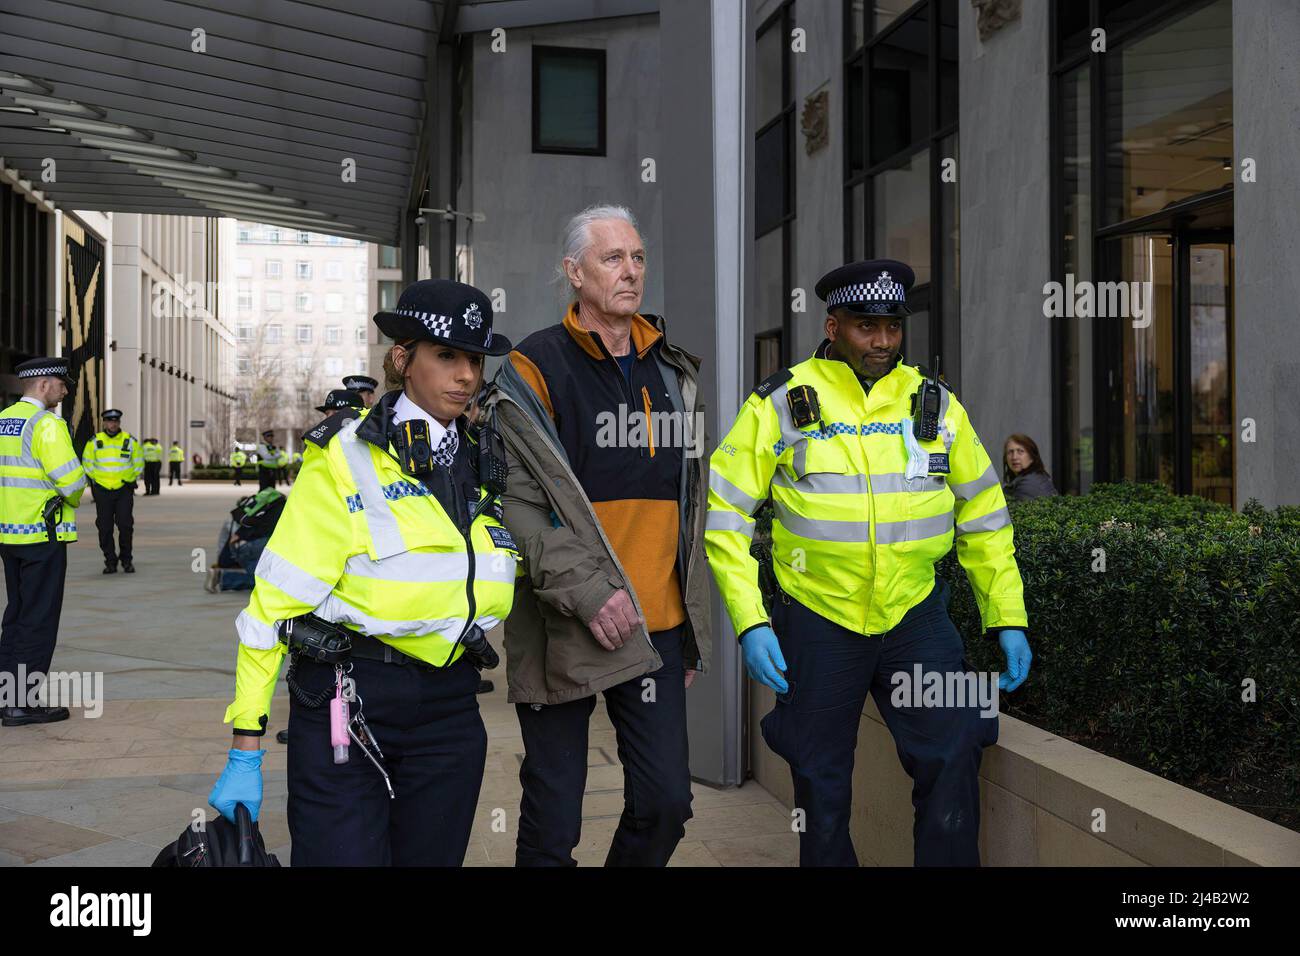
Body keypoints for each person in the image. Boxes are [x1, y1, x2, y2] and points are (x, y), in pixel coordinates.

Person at [705, 258, 1033, 867]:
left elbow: (985, 515)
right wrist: (751, 624)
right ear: (833, 326)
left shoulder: (935, 404)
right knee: (819, 779)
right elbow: (726, 518)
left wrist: (1006, 615)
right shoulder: (780, 403)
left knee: (957, 746)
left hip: (915, 614)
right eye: (866, 327)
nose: (883, 341)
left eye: (892, 327)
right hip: (818, 616)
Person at [208, 279, 518, 866]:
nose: (466, 376)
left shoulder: (485, 459)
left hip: (450, 704)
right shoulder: (344, 456)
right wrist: (246, 749)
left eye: (474, 359)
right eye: (446, 355)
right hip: (350, 701)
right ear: (403, 359)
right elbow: (272, 608)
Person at [485, 204, 711, 867]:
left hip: (657, 624)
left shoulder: (672, 368)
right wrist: (590, 593)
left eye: (638, 257)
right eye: (613, 259)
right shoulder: (532, 368)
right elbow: (519, 506)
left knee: (667, 801)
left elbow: (688, 503)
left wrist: (689, 622)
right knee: (554, 815)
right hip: (567, 619)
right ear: (573, 272)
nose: (631, 271)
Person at [0, 358, 85, 726]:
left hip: (9, 533)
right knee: (38, 621)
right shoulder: (48, 425)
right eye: (63, 384)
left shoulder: (3, 420)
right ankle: (22, 703)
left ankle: (6, 697)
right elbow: (71, 482)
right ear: (45, 384)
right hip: (42, 534)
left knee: (16, 616)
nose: (65, 391)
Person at [82, 408, 143, 574]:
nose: (113, 424)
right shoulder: (95, 441)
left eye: (116, 421)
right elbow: (87, 463)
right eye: (110, 421)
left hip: (124, 489)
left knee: (125, 526)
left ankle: (126, 560)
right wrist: (96, 482)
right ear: (104, 422)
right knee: (104, 527)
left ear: (119, 422)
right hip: (102, 490)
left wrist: (130, 479)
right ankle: (110, 561)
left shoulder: (129, 441)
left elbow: (138, 463)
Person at [1002, 434, 1058, 501]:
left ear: (1032, 457)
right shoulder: (1037, 476)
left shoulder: (1028, 485)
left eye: (1020, 451)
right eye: (1010, 452)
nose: (1014, 457)